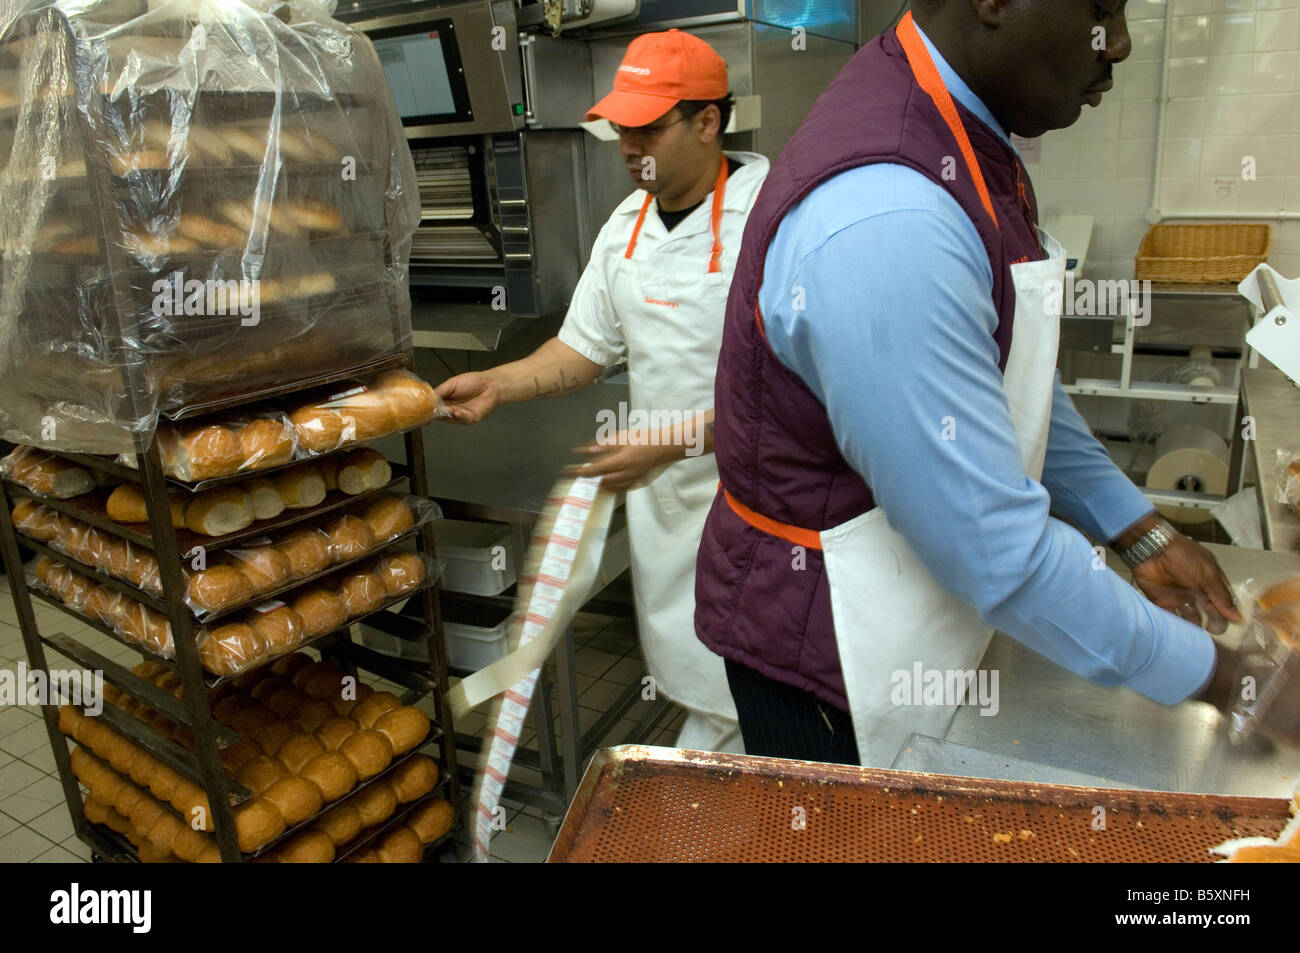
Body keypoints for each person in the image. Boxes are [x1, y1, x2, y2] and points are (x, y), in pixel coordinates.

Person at [695, 0, 1250, 767]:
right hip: (832, 660)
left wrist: (1135, 528)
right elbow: (997, 551)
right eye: (1099, 7)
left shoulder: (964, 132)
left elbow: (1001, 373)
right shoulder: (889, 215)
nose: (1116, 43)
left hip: (919, 607)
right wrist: (1237, 680)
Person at [436, 29, 770, 753]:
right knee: (692, 676)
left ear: (709, 121)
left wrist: (674, 440)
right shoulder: (626, 225)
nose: (626, 144)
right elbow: (581, 350)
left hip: (759, 508)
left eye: (647, 126)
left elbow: (802, 390)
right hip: (665, 505)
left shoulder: (772, 218)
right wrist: (498, 381)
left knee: (758, 705)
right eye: (620, 126)